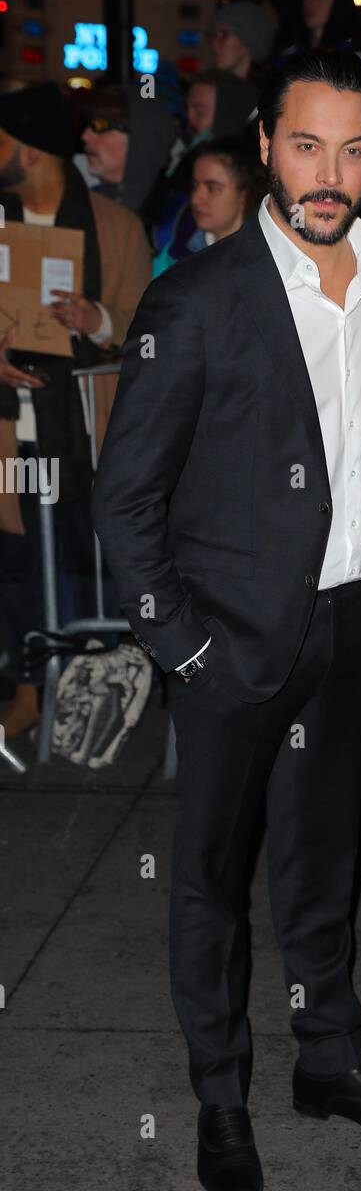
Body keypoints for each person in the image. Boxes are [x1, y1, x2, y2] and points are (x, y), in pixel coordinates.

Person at [91, 50, 361, 1191]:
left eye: (354, 149)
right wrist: (182, 645)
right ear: (265, 142)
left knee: (322, 860)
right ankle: (220, 1093)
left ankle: (328, 1059)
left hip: (350, 626)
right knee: (210, 876)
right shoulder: (198, 300)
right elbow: (125, 498)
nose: (330, 172)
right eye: (307, 144)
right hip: (230, 644)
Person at [0, 84, 150, 743]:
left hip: (84, 432)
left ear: (29, 150)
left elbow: (152, 330)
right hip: (12, 435)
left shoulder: (114, 226)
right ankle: (30, 689)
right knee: (16, 559)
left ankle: (88, 692)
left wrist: (100, 319)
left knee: (79, 560)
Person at [153, 135, 266, 275]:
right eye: (195, 186)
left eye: (212, 188)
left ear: (244, 194)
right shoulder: (179, 247)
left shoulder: (263, 262)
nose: (195, 199)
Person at [77, 84, 176, 241]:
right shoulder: (85, 203)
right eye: (89, 125)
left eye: (101, 126)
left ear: (141, 139)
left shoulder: (175, 221)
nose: (86, 136)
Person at [206, 0, 276, 88]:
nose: (214, 43)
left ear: (249, 40)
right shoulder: (208, 90)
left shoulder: (266, 97)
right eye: (213, 35)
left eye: (223, 34)